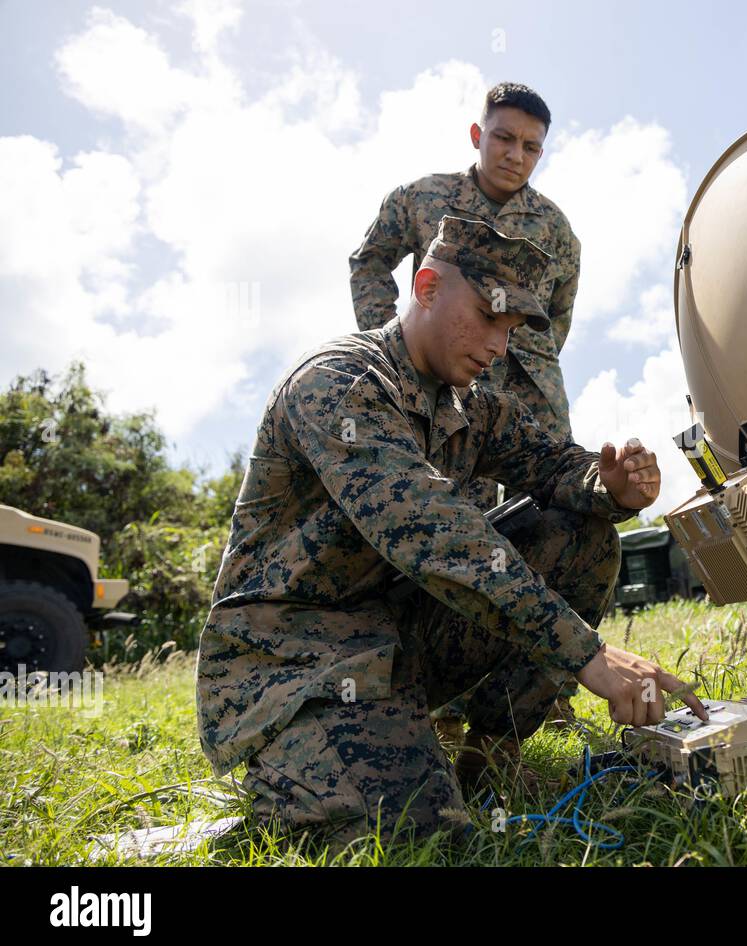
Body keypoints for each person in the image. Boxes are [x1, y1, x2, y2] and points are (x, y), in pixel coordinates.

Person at [197, 217, 706, 849]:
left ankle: (489, 761)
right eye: (489, 318)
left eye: (513, 330)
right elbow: (439, 536)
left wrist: (612, 489)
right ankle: (283, 786)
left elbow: (554, 465)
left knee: (581, 533)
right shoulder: (339, 387)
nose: (499, 345)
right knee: (420, 836)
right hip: (300, 656)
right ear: (429, 286)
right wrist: (586, 655)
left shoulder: (471, 402)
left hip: (400, 635)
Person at [349, 81, 585, 736]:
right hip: (445, 391)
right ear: (479, 135)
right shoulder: (421, 199)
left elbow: (558, 309)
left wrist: (526, 361)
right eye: (505, 138)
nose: (516, 154)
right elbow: (368, 259)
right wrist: (390, 344)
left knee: (558, 515)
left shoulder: (557, 230)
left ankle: (546, 686)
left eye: (532, 147)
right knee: (461, 521)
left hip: (531, 397)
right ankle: (452, 698)